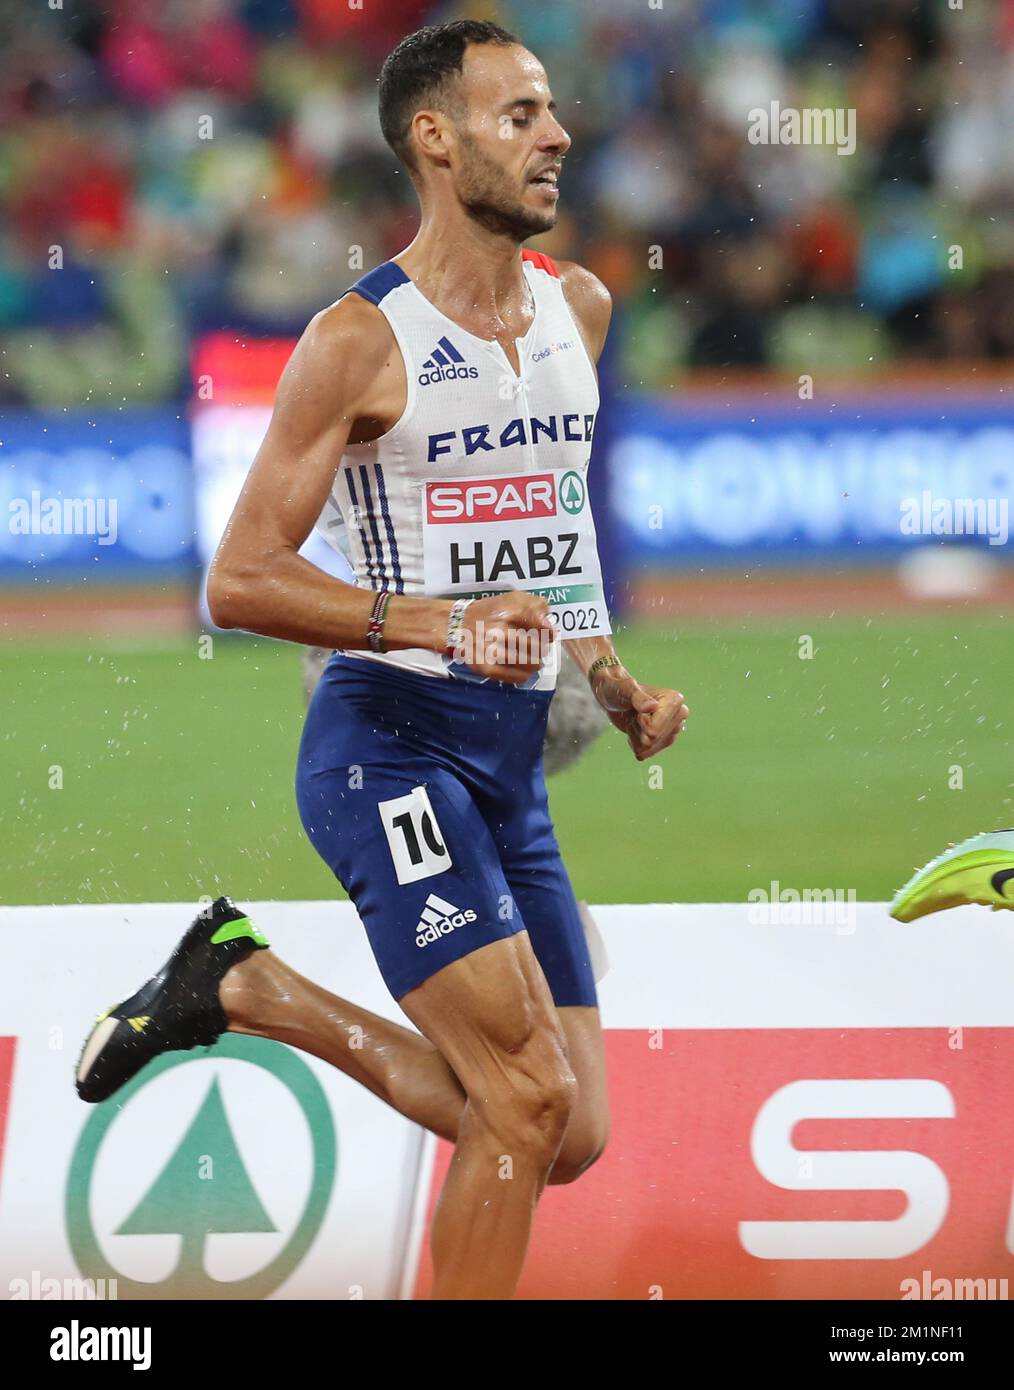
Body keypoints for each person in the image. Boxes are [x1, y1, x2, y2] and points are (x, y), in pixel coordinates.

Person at [76, 20, 689, 1300]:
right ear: (434, 137)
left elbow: (555, 527)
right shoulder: (359, 342)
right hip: (385, 750)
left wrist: (611, 677)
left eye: (551, 110)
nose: (558, 134)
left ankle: (250, 987)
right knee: (520, 1098)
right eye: (519, 114)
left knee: (566, 1129)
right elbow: (239, 578)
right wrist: (439, 624)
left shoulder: (580, 307)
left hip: (510, 759)